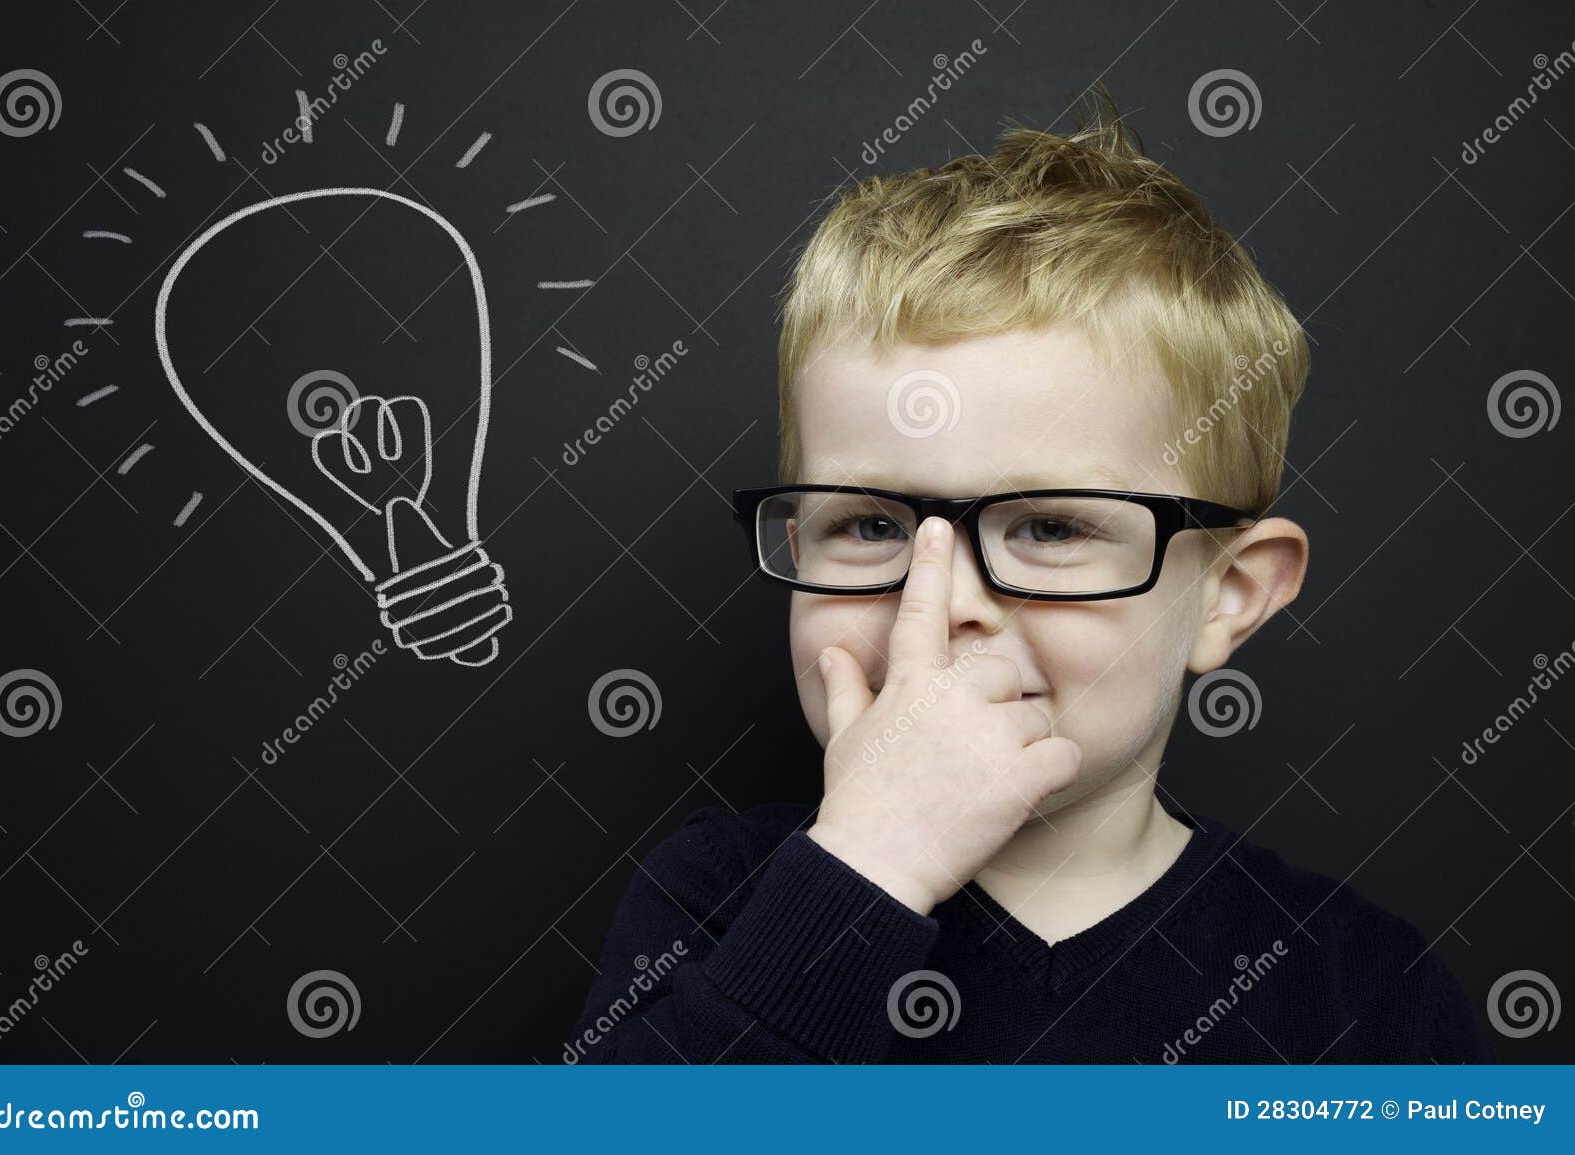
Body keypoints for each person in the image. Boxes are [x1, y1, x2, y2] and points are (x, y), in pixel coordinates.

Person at [567, 86, 1493, 1064]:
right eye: (871, 523)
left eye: (1050, 527)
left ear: (1228, 595)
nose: (947, 603)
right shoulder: (715, 898)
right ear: (797, 551)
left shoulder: (1353, 986)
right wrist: (864, 869)